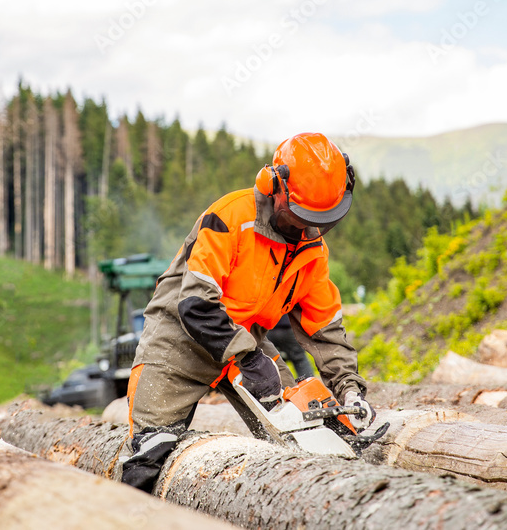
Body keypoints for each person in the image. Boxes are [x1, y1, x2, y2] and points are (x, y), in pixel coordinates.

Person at [121, 132, 378, 493]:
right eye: (300, 216)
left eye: (319, 218)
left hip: (250, 341)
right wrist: (249, 358)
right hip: (180, 338)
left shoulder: (312, 249)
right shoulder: (229, 217)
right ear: (273, 186)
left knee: (310, 433)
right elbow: (195, 303)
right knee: (149, 458)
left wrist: (349, 390)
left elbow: (325, 329)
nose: (307, 227)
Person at [266, 313, 314, 379]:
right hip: (288, 327)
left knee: (271, 362)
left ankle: (277, 387)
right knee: (300, 359)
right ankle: (309, 385)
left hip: (267, 329)